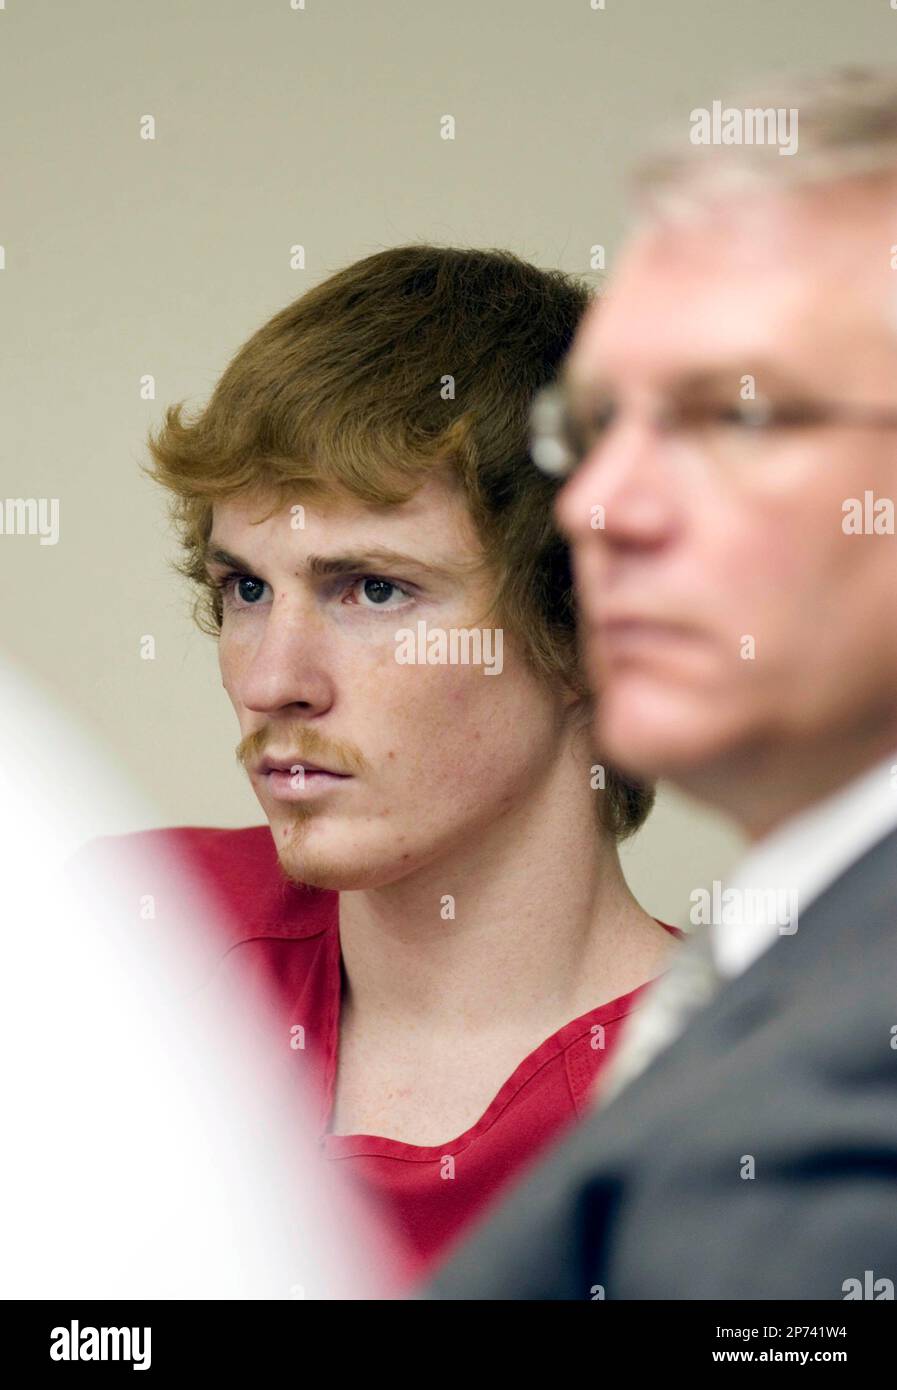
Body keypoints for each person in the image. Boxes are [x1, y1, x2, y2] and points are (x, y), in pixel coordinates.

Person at [77, 245, 679, 1290]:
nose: (273, 681)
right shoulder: (126, 942)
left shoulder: (745, 1106)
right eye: (246, 589)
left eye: (373, 590)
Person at [422, 67, 897, 1300]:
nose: (598, 505)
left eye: (731, 417)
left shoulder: (857, 1071)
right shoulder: (795, 955)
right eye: (590, 430)